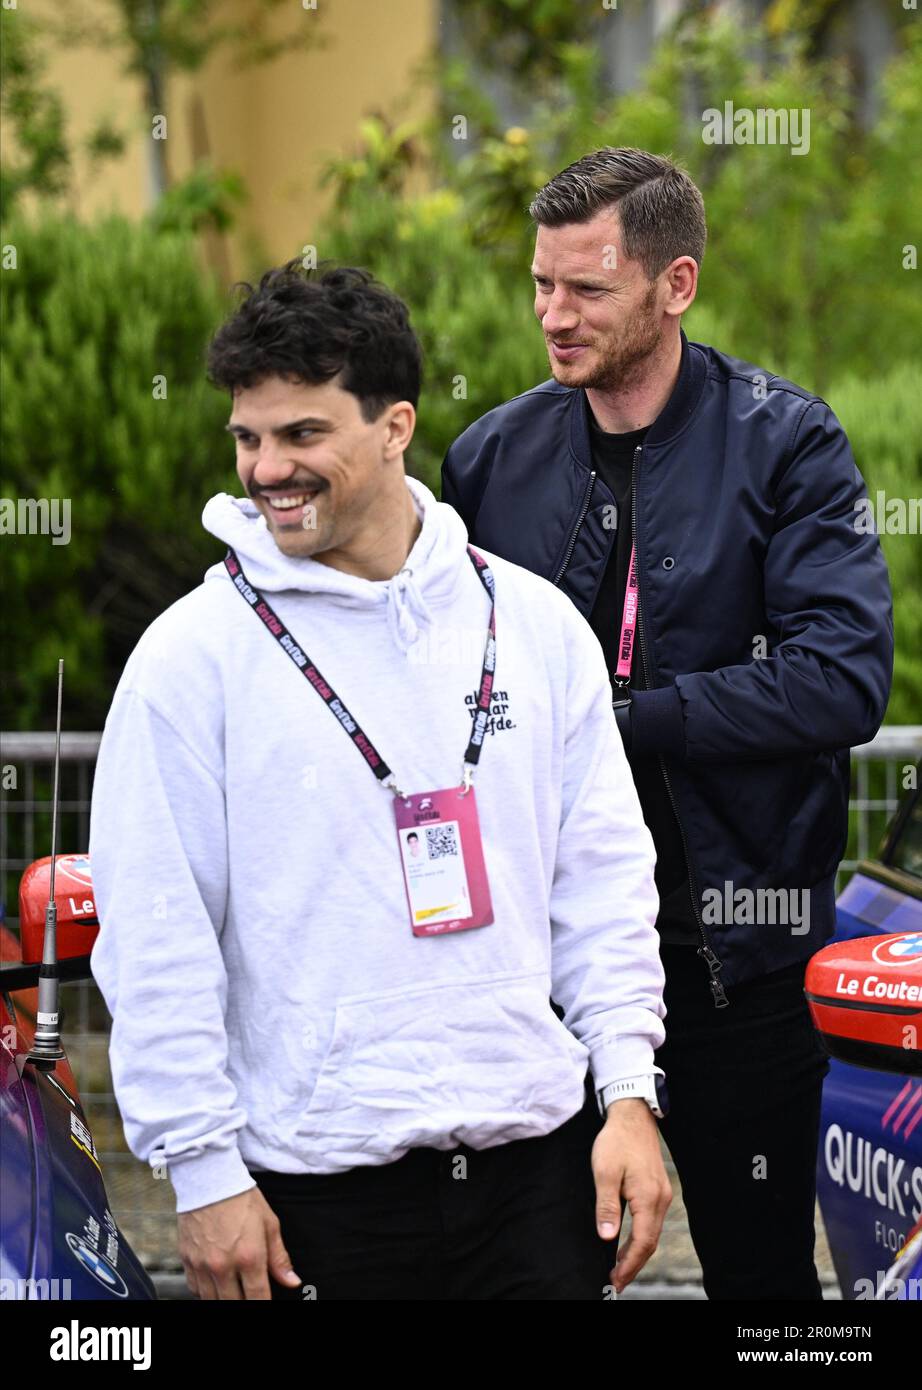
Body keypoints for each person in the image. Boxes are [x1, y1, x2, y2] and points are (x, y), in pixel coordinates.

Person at [88, 261, 671, 1302]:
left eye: (302, 434)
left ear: (396, 426)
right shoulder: (191, 658)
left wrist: (628, 1091)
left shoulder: (532, 625)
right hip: (311, 1202)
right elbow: (157, 937)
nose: (267, 468)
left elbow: (603, 885)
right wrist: (203, 1171)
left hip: (536, 1180)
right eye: (246, 438)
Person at [441, 147, 894, 1300]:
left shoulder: (785, 439)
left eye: (587, 289)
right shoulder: (492, 456)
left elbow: (840, 680)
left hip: (736, 954)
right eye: (540, 284)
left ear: (673, 284)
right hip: (542, 969)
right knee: (537, 1276)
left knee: (763, 1287)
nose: (554, 314)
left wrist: (621, 718)